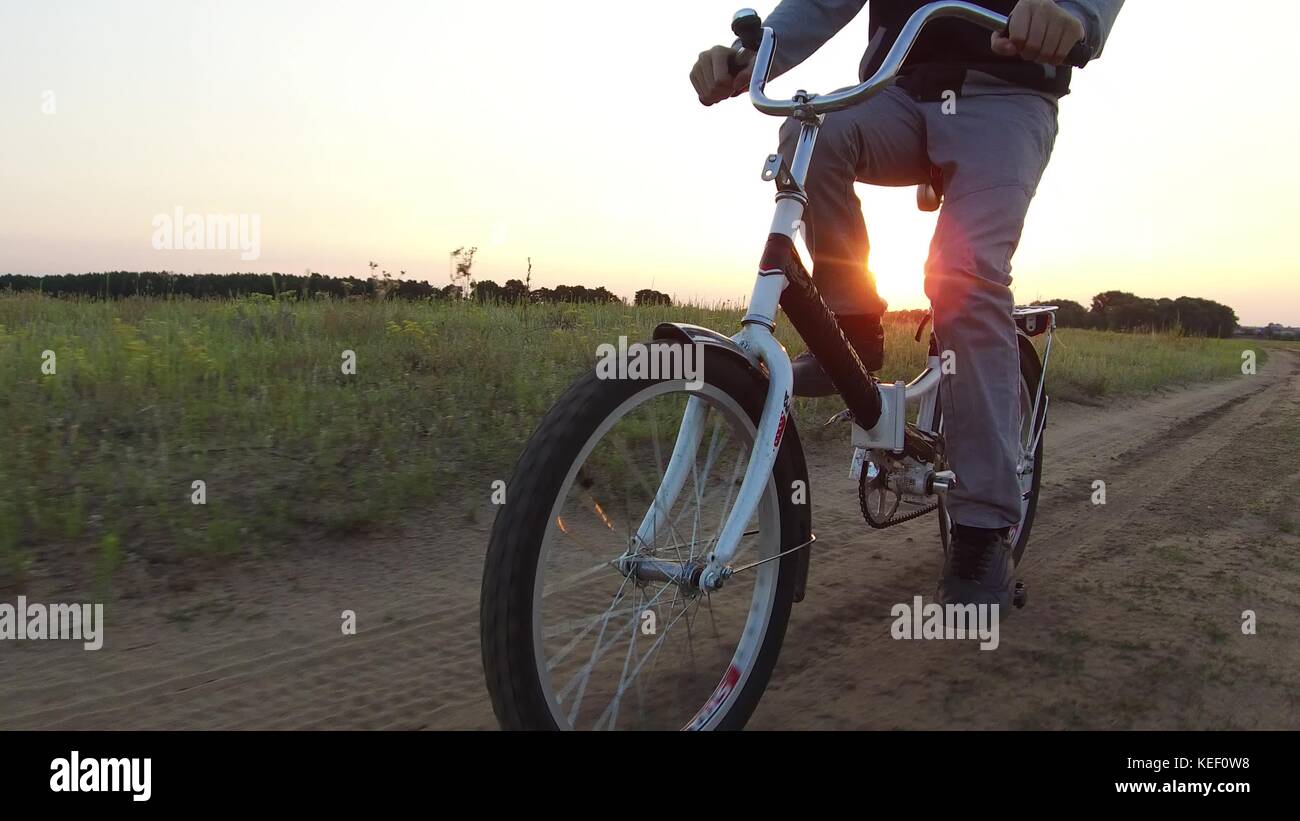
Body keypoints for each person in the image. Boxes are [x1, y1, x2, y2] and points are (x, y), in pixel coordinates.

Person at [689, 0, 1123, 607]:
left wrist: (1075, 13)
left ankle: (983, 526)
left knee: (962, 276)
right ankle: (855, 326)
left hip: (1008, 94)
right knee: (810, 132)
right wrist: (750, 54)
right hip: (899, 89)